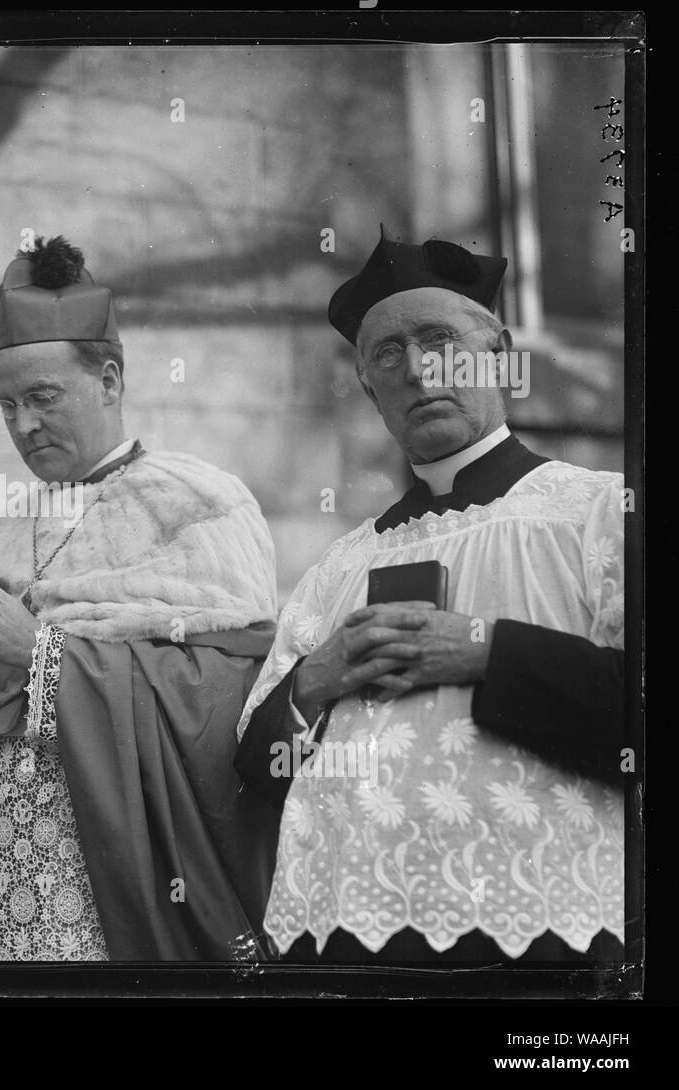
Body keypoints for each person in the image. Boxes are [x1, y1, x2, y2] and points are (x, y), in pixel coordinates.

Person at [235, 228, 626, 963]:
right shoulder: (340, 566)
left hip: (540, 937)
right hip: (351, 939)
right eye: (387, 353)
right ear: (367, 387)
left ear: (500, 354)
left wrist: (485, 650)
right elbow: (261, 772)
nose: (417, 370)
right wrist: (316, 678)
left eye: (439, 339)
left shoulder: (597, 514)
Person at [0, 235, 279, 961]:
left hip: (121, 874)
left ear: (108, 381)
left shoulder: (196, 504)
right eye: (6, 405)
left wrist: (39, 654)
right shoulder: (4, 528)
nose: (23, 425)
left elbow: (224, 697)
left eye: (43, 397)